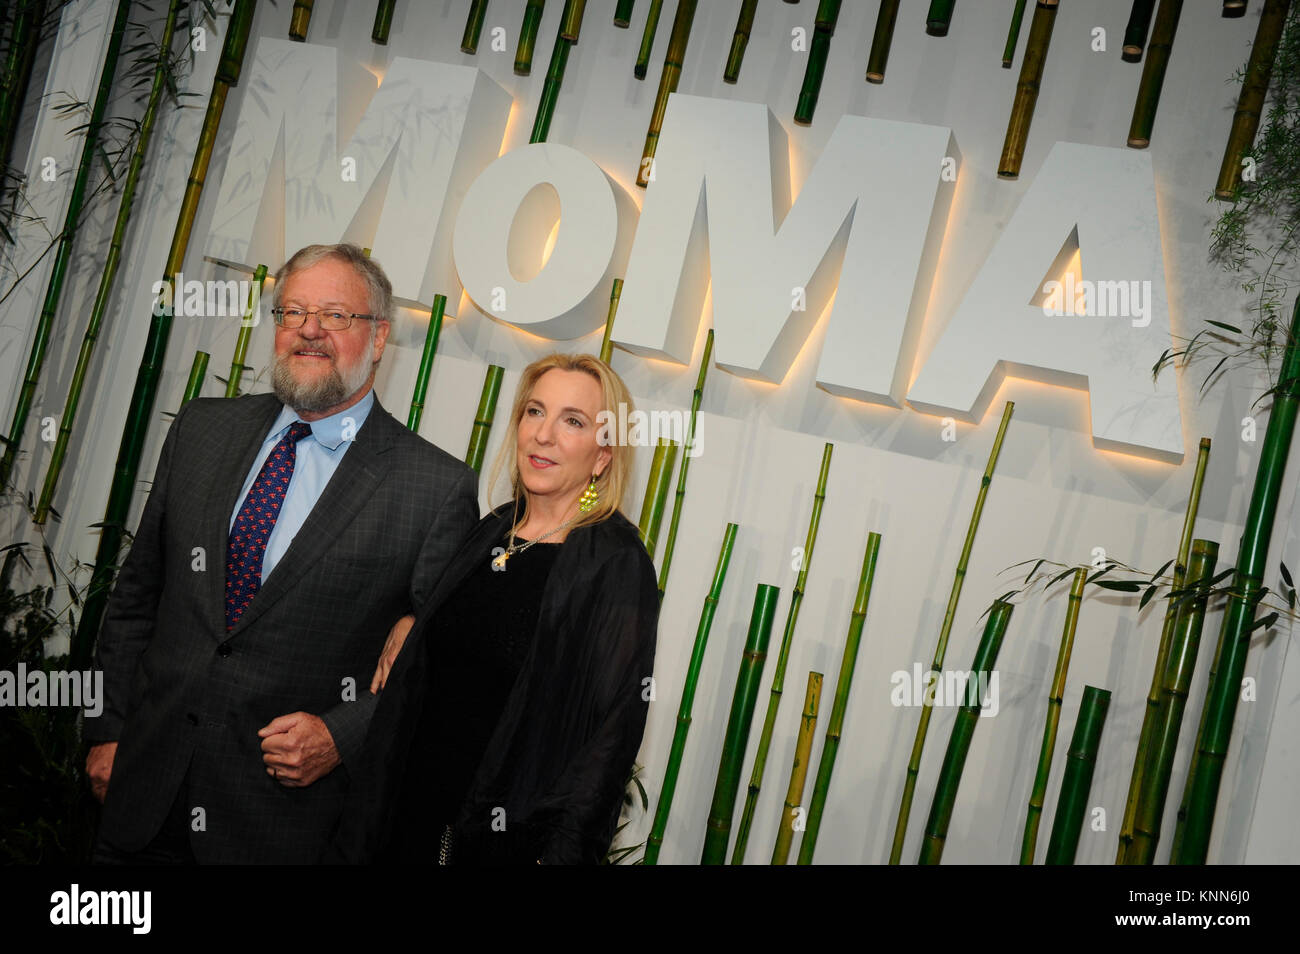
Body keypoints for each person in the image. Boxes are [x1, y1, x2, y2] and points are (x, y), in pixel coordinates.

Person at [82, 243, 480, 864]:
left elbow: (436, 672)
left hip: (272, 828)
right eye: (293, 312)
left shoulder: (432, 489)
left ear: (378, 338)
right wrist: (107, 730)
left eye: (335, 316)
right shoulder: (201, 429)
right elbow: (138, 595)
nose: (310, 330)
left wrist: (341, 737)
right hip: (140, 795)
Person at [331, 353, 660, 865]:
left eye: (572, 421)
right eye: (535, 411)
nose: (543, 434)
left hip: (495, 843)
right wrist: (412, 620)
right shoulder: (493, 529)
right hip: (404, 817)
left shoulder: (614, 561)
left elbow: (608, 740)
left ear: (602, 455)